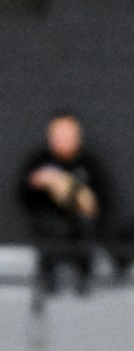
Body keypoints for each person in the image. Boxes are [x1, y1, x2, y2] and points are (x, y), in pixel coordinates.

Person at [17, 111, 108, 296]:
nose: (64, 139)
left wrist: (69, 188)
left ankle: (83, 277)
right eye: (59, 134)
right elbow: (23, 196)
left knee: (84, 228)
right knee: (50, 228)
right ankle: (48, 279)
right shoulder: (39, 161)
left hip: (80, 227)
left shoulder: (88, 165)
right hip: (48, 225)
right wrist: (37, 182)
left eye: (69, 134)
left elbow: (101, 201)